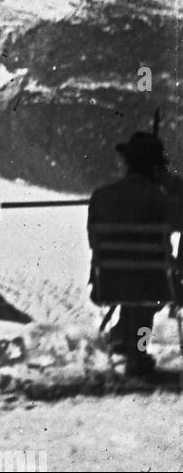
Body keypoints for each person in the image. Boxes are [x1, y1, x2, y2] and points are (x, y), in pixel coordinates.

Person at [87, 131, 178, 374]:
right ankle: (138, 349)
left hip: (108, 282)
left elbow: (92, 240)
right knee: (147, 291)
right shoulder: (162, 199)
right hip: (156, 286)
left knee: (135, 284)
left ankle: (123, 337)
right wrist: (170, 183)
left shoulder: (101, 196)